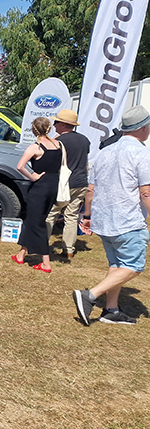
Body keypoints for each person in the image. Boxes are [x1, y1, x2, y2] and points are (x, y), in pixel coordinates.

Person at [73, 105, 150, 326]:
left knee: (117, 264)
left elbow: (91, 189)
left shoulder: (104, 152)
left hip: (104, 219)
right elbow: (145, 191)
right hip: (128, 219)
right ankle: (90, 295)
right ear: (143, 128)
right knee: (134, 266)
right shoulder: (142, 153)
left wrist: (87, 215)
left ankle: (111, 310)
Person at [11, 117, 61, 273]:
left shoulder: (35, 147)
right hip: (54, 185)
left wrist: (32, 176)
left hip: (39, 187)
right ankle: (21, 255)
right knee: (32, 220)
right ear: (49, 128)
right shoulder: (57, 144)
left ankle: (46, 262)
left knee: (37, 223)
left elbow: (20, 166)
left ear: (33, 130)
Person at [45, 109, 90, 259]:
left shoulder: (59, 141)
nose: (54, 124)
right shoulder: (84, 140)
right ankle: (69, 249)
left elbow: (53, 162)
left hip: (65, 183)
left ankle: (42, 245)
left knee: (50, 213)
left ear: (64, 125)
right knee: (71, 216)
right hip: (81, 182)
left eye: (57, 122)